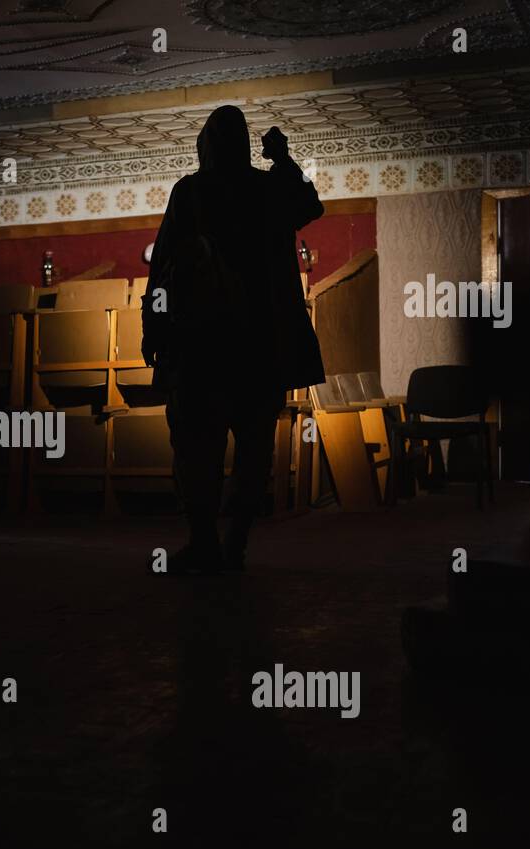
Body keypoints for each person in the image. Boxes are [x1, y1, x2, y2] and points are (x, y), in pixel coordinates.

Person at [142, 106, 325, 574]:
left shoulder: (192, 192)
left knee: (195, 450)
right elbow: (309, 204)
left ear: (206, 144)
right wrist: (282, 159)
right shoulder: (266, 189)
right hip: (257, 349)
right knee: (252, 452)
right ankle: (233, 544)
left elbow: (162, 267)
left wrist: (154, 327)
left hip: (201, 348)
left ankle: (205, 544)